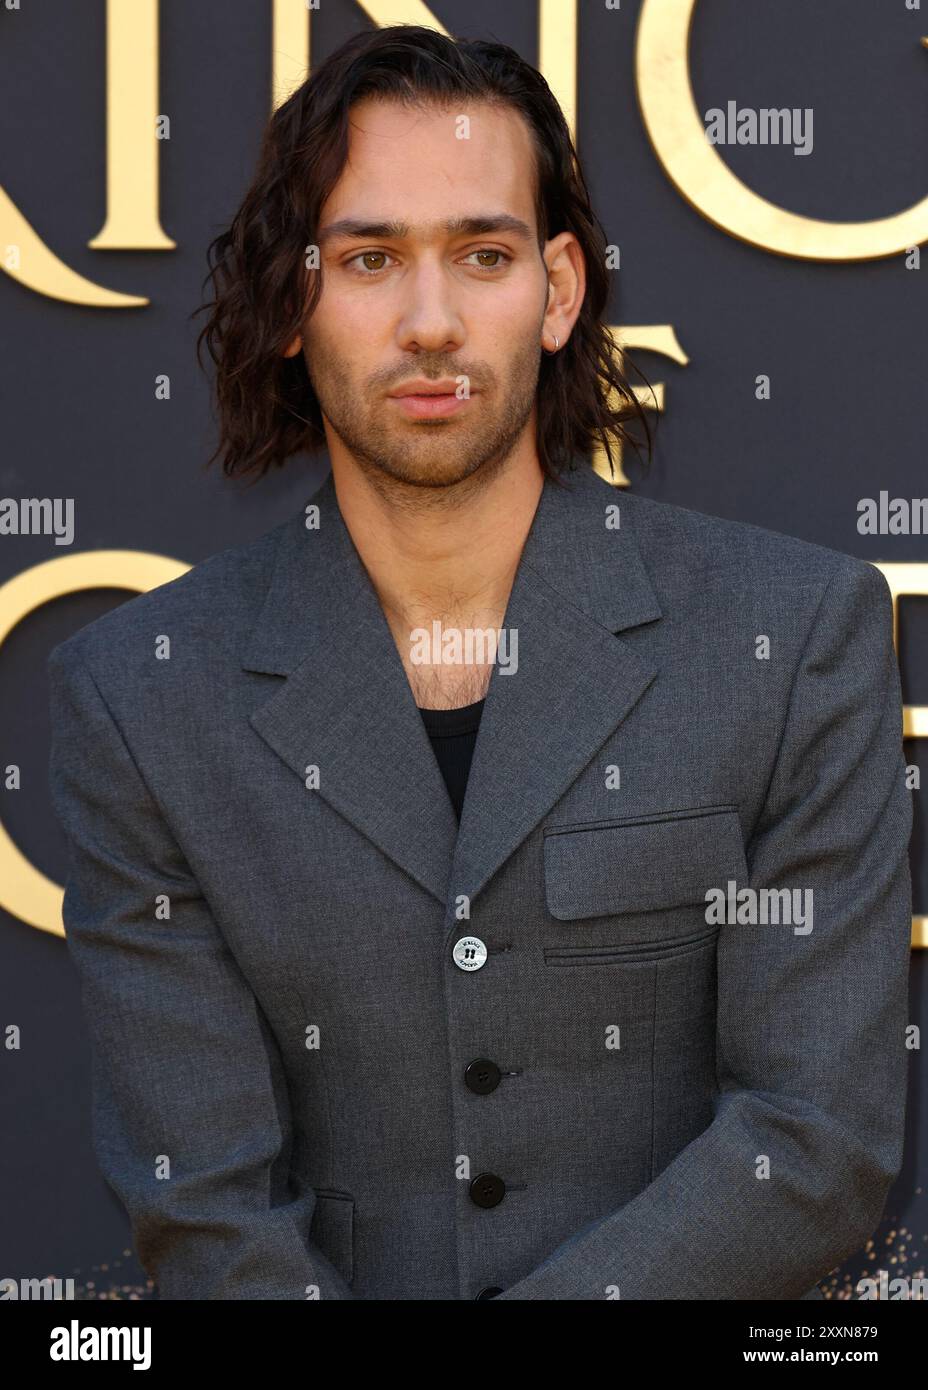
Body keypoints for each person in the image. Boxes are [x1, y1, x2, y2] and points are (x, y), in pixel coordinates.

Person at [47, 24, 912, 1300]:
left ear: (559, 290)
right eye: (369, 258)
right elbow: (200, 1203)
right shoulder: (138, 697)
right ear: (291, 300)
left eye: (484, 254)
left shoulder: (791, 639)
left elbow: (815, 1142)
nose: (432, 320)